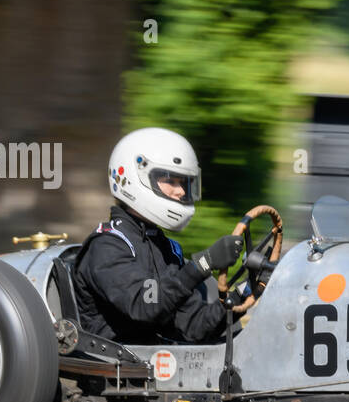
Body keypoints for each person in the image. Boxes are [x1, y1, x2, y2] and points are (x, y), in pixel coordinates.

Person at [72, 127, 241, 344]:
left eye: (183, 183)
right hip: (120, 369)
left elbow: (194, 327)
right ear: (134, 177)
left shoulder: (165, 248)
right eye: (171, 181)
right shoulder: (107, 246)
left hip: (161, 362)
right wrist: (203, 264)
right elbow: (144, 306)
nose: (180, 191)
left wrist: (245, 294)